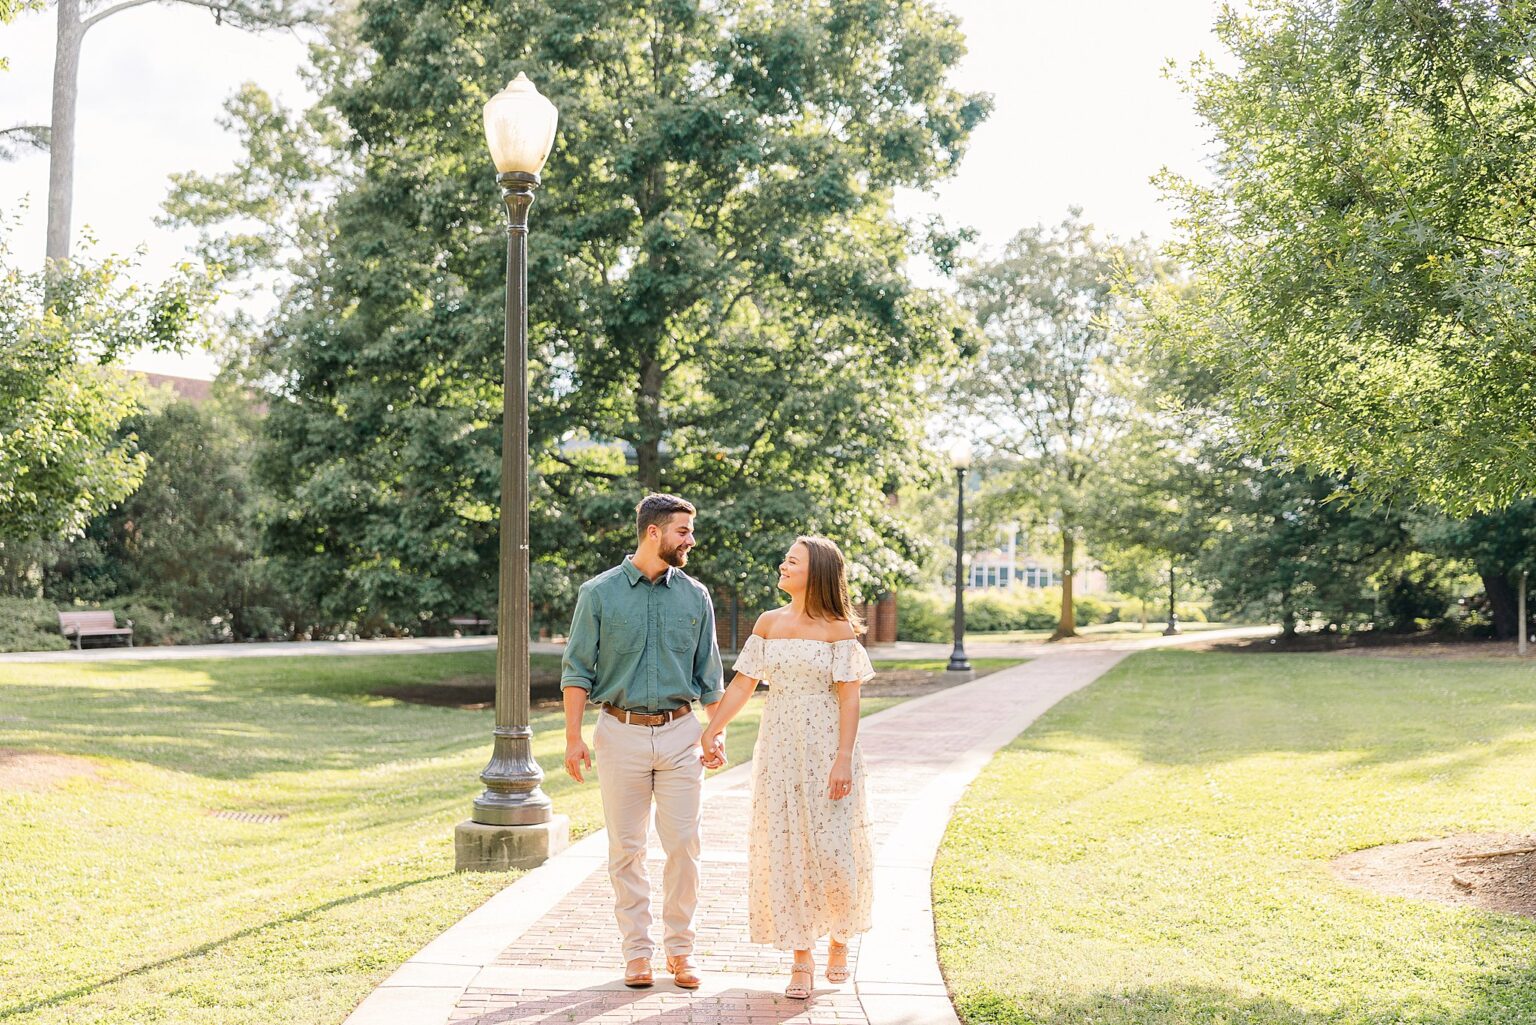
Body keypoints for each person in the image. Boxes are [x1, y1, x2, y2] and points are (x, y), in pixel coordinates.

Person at [560, 494, 725, 991]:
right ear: (653, 532)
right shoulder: (599, 593)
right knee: (627, 850)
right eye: (683, 531)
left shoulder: (696, 596)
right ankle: (637, 953)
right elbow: (576, 671)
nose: (690, 540)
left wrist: (714, 733)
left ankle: (681, 951)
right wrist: (572, 739)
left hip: (680, 733)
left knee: (683, 847)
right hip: (618, 732)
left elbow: (710, 677)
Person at [699, 536, 876, 999]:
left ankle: (839, 938)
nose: (782, 565)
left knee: (835, 849)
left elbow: (850, 698)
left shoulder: (839, 629)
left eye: (791, 561)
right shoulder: (768, 623)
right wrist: (713, 728)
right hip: (778, 748)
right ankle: (801, 958)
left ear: (814, 572)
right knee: (786, 850)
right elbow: (742, 685)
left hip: (827, 749)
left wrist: (843, 758)